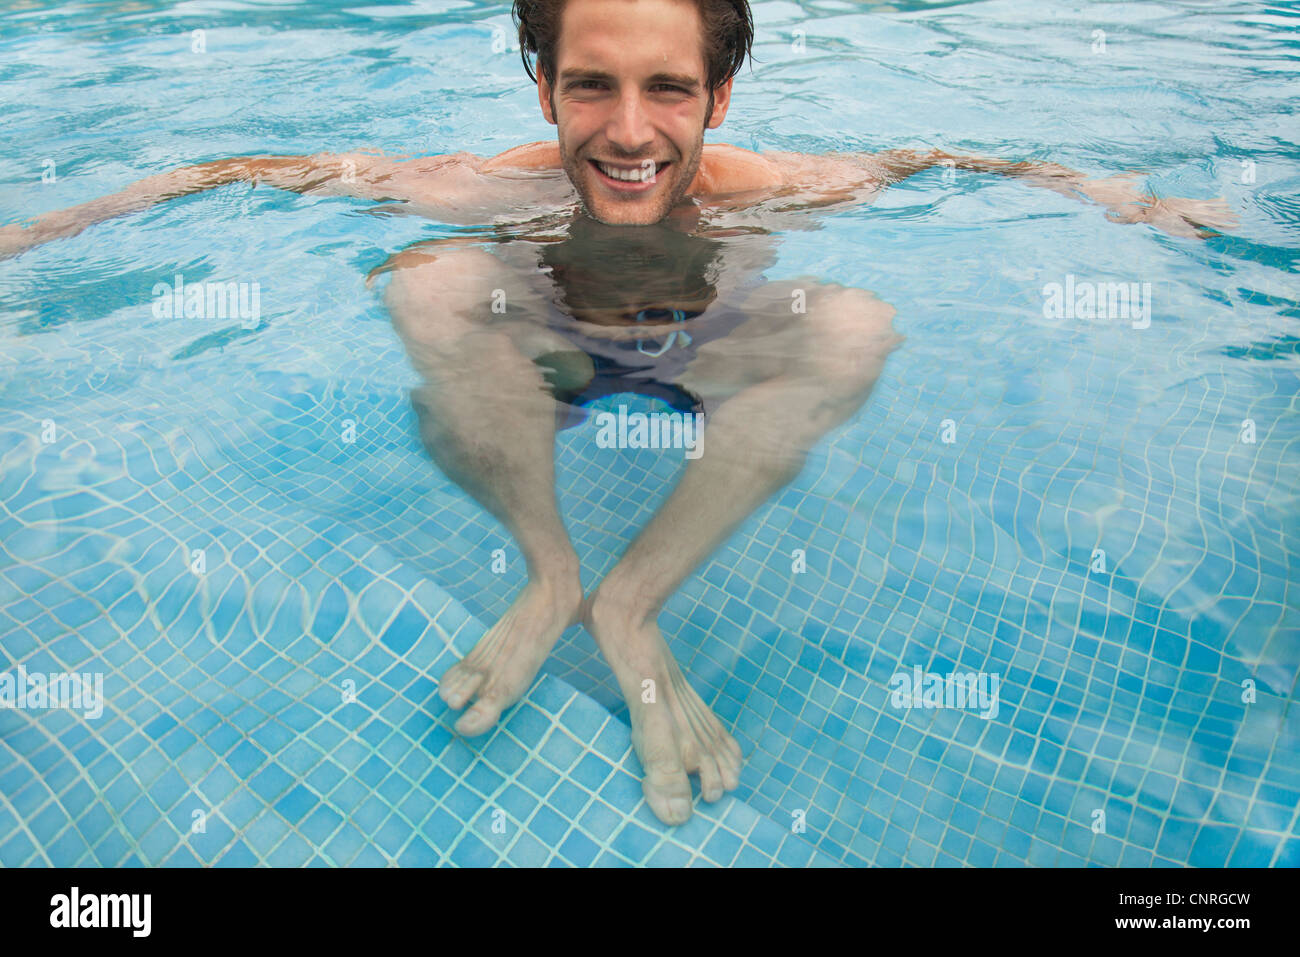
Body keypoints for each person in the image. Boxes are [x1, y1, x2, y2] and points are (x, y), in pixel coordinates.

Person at [0, 0, 1236, 825]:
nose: (629, 132)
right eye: (590, 87)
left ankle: (629, 599)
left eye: (668, 90)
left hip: (711, 363)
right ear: (543, 87)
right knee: (427, 281)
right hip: (540, 370)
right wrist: (41, 233)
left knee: (853, 322)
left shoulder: (784, 193)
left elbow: (944, 160)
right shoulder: (479, 188)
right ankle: (550, 571)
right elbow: (243, 169)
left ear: (721, 96)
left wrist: (1102, 191)